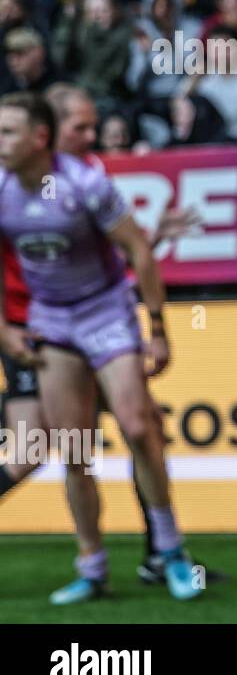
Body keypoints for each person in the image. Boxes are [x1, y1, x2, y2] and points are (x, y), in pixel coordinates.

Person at [0, 92, 201, 603]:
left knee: (139, 426)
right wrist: (4, 330)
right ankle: (92, 567)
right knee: (74, 451)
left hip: (106, 312)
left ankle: (171, 551)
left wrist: (156, 328)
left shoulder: (84, 183)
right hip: (52, 321)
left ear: (39, 138)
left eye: (8, 132)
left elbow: (135, 247)